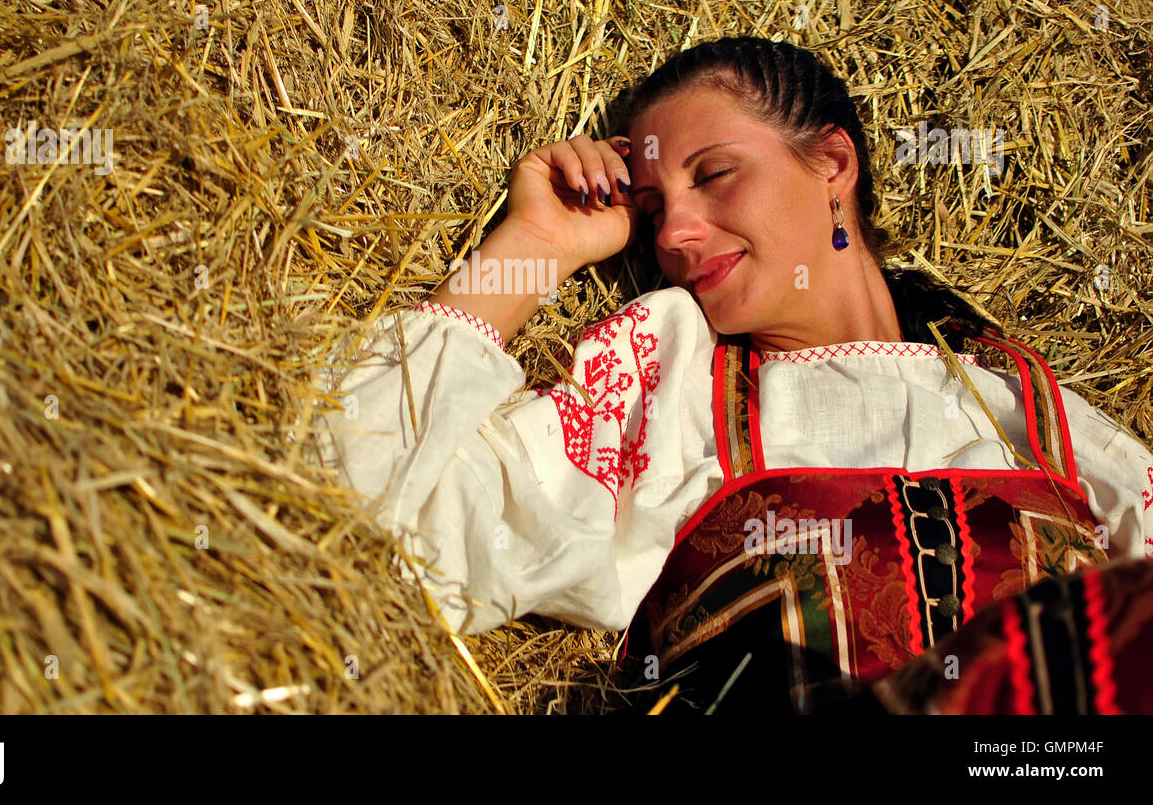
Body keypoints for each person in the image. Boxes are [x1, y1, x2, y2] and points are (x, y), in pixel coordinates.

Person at [311, 36, 1153, 714]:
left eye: (714, 175)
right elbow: (353, 505)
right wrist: (532, 248)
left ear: (833, 165)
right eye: (648, 211)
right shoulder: (668, 387)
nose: (675, 232)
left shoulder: (1033, 412)